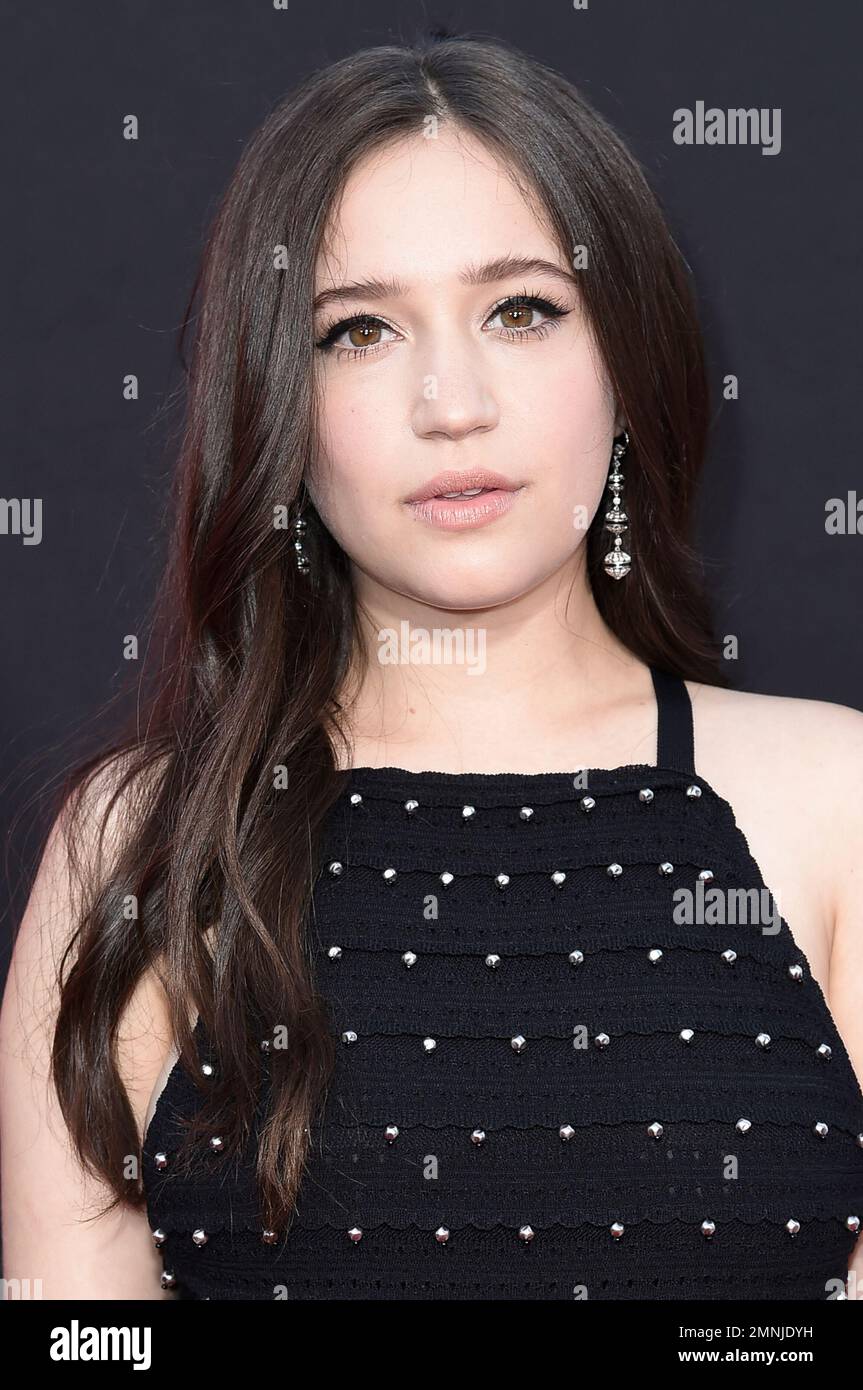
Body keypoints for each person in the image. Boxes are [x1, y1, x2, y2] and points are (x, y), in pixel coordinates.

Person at [2, 33, 862, 1302]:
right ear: (275, 406)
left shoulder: (835, 805)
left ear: (626, 360)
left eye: (521, 310)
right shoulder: (139, 846)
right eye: (356, 332)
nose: (448, 401)